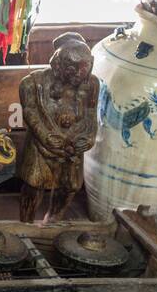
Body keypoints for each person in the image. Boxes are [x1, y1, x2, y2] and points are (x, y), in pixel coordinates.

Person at [18, 32, 98, 222]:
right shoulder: (31, 84)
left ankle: (53, 220)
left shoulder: (92, 84)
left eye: (83, 69)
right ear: (58, 65)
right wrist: (46, 137)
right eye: (72, 69)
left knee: (70, 186)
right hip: (41, 146)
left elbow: (91, 116)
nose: (79, 75)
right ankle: (26, 224)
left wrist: (88, 137)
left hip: (72, 147)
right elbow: (31, 114)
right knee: (34, 184)